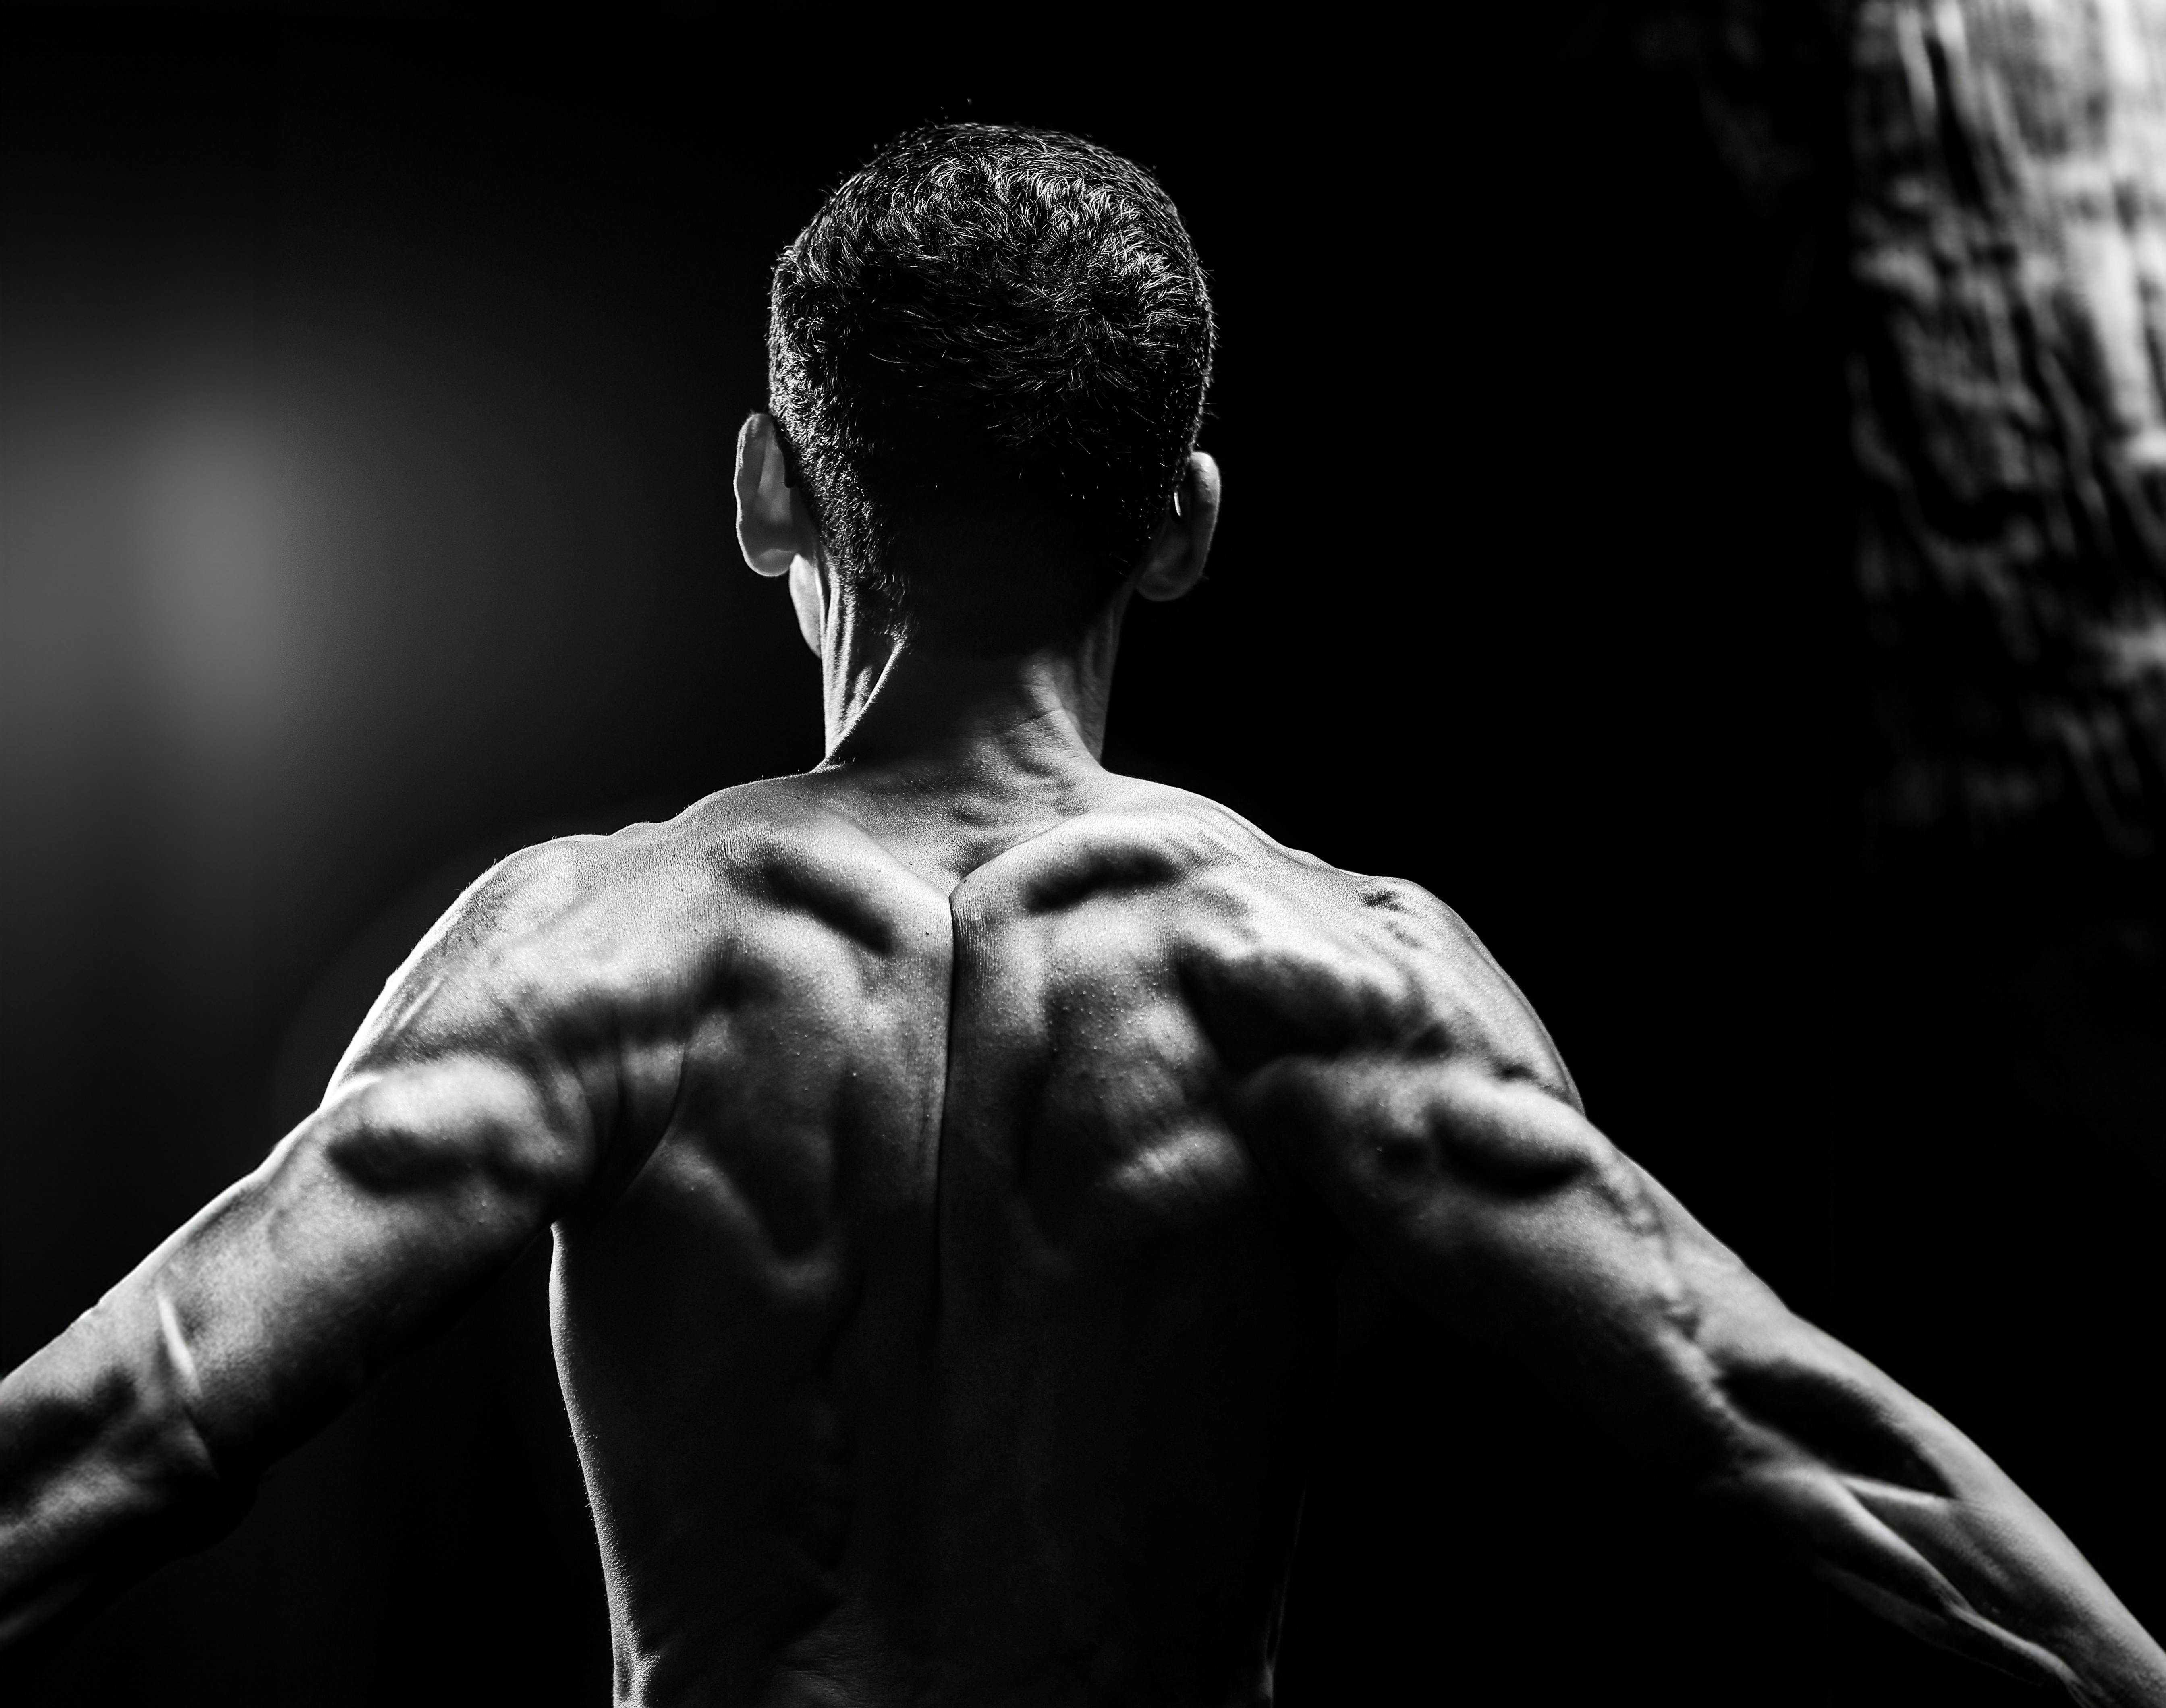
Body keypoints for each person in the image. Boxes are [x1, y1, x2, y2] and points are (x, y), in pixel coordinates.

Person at [0, 122, 2160, 1708]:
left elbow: (146, 1423)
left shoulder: (598, 957)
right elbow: (1791, 1443)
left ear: (769, 491)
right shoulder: (1341, 986)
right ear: (1186, 522)